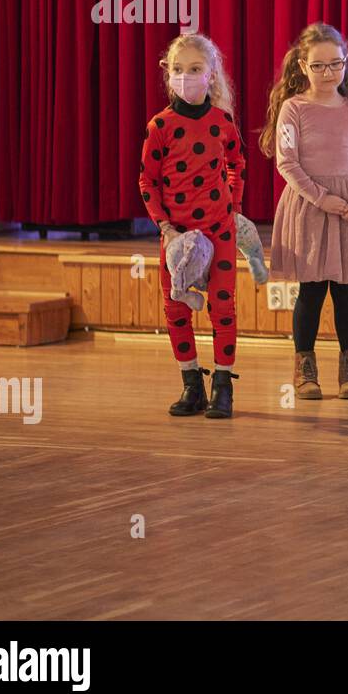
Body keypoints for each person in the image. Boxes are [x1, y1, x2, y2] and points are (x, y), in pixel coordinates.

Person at [261, 23, 348, 401]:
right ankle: (305, 368)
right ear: (302, 65)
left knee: (347, 293)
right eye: (319, 66)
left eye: (336, 64)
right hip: (312, 208)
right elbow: (287, 162)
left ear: (346, 63)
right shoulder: (292, 109)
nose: (328, 73)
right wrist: (320, 197)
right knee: (311, 292)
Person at [139, 33, 246, 419]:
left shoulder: (222, 122)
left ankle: (222, 386)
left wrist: (232, 207)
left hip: (219, 231)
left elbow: (237, 165)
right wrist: (165, 226)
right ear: (169, 75)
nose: (187, 77)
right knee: (176, 308)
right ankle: (191, 385)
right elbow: (146, 180)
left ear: (211, 74)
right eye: (179, 70)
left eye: (195, 69)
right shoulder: (160, 126)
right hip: (176, 237)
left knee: (223, 307)